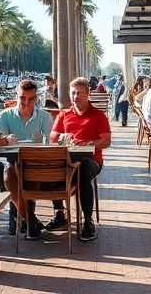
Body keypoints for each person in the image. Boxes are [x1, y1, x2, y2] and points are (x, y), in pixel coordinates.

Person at [50, 77, 112, 241]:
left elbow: (106, 140)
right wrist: (64, 137)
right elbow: (53, 137)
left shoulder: (98, 116)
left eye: (79, 93)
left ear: (87, 95)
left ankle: (88, 220)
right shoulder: (64, 114)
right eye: (73, 93)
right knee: (49, 167)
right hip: (66, 157)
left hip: (90, 159)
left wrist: (90, 143)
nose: (75, 96)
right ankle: (59, 213)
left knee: (82, 170)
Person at [0, 79, 55, 239]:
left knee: (25, 174)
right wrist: (6, 139)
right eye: (22, 98)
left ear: (36, 99)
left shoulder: (45, 117)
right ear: (17, 97)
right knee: (9, 173)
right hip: (13, 163)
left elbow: (48, 142)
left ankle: (26, 221)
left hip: (37, 164)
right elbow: (0, 141)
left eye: (30, 99)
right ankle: (30, 220)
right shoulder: (5, 116)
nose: (26, 102)